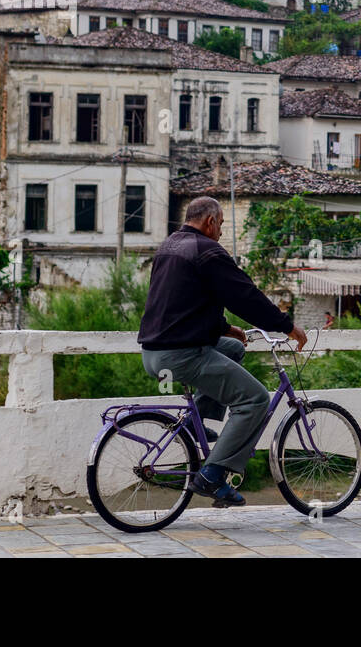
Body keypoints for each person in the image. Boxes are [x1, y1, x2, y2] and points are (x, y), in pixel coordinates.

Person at [138, 196, 307, 507]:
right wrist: (286, 325)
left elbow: (185, 302)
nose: (220, 232)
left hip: (153, 352)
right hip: (180, 354)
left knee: (231, 348)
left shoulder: (169, 246)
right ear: (210, 222)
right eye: (222, 225)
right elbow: (245, 296)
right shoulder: (207, 251)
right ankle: (213, 475)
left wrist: (225, 328)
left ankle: (195, 422)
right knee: (254, 399)